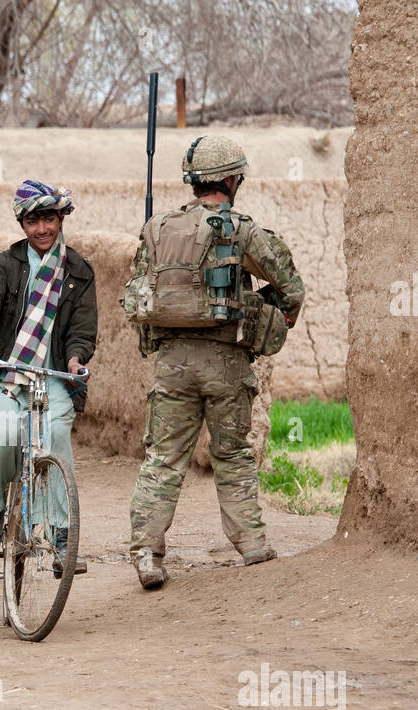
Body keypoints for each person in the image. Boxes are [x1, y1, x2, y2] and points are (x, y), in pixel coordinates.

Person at [125, 135, 306, 590]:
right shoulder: (241, 229)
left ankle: (147, 554)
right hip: (227, 362)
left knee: (163, 459)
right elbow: (291, 289)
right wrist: (267, 312)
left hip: (171, 364)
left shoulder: (158, 228)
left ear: (194, 181)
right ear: (231, 179)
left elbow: (138, 294)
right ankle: (252, 544)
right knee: (232, 454)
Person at [0, 179, 97, 576]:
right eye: (34, 221)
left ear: (61, 219)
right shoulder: (5, 265)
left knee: (54, 437)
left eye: (49, 219)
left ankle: (61, 534)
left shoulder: (79, 271)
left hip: (53, 374)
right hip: (7, 371)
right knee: (4, 434)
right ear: (22, 223)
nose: (42, 230)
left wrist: (75, 360)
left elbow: (83, 327)